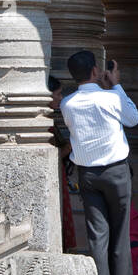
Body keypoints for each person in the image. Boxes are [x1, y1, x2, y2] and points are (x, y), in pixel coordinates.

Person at [61, 50, 138, 275]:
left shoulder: (68, 104)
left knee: (98, 236)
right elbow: (134, 119)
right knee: (120, 234)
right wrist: (116, 84)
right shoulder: (111, 97)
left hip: (88, 174)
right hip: (116, 171)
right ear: (96, 71)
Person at [49, 76, 79, 252]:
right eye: (58, 94)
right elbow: (54, 152)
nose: (61, 98)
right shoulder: (43, 122)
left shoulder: (50, 119)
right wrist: (71, 146)